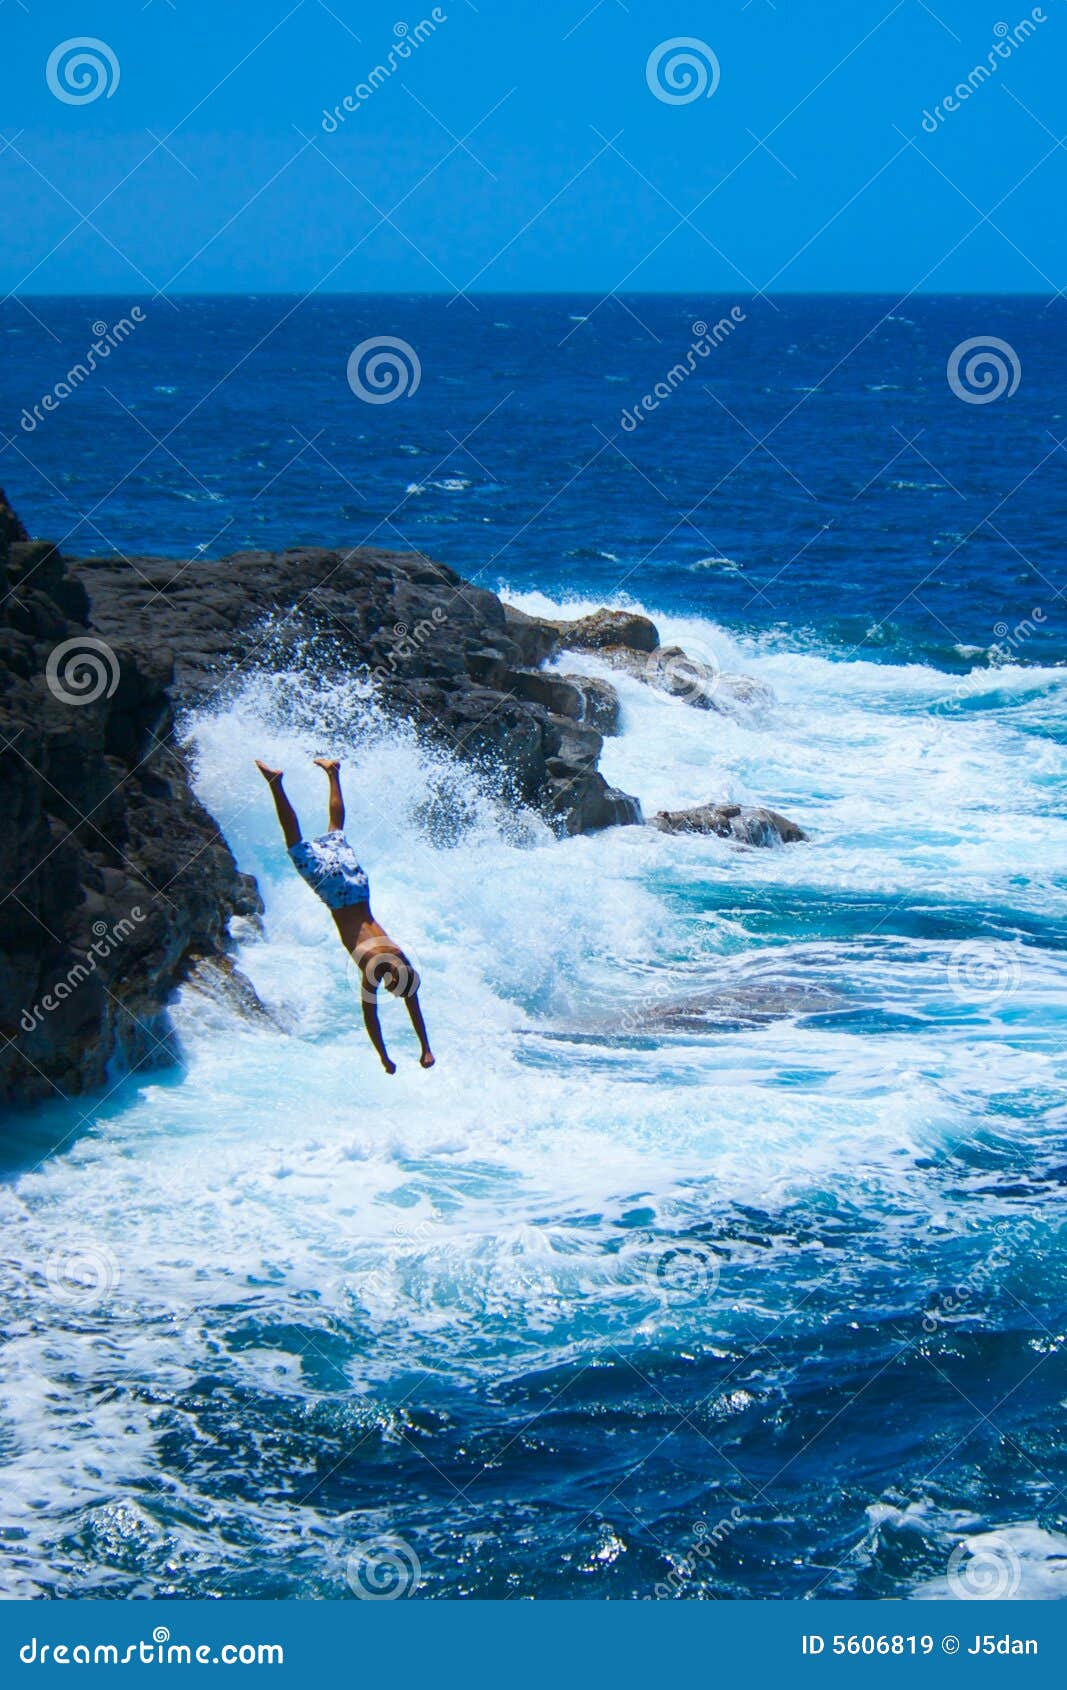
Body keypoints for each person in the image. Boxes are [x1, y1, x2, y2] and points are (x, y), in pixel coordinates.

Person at [255, 757, 434, 1074]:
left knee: (335, 832)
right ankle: (275, 784)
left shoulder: (400, 955)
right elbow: (371, 1019)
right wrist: (384, 1057)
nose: (394, 993)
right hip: (336, 896)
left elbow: (414, 1008)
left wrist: (426, 1049)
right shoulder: (374, 968)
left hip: (358, 888)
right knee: (295, 844)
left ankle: (333, 773)